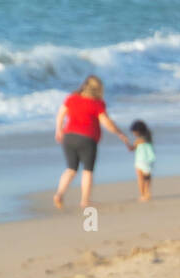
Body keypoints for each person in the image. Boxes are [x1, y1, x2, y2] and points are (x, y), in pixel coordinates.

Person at [53, 75, 132, 209]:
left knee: (71, 169)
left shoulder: (72, 98)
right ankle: (85, 200)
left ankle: (59, 194)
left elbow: (61, 113)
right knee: (87, 170)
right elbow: (106, 123)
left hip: (69, 136)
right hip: (87, 138)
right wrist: (120, 133)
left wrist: (58, 130)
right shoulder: (97, 104)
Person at [129, 120, 155, 201]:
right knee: (147, 177)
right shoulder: (149, 137)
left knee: (140, 178)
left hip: (140, 160)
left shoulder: (139, 140)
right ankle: (147, 193)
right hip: (149, 159)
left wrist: (128, 143)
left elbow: (133, 147)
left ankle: (143, 194)